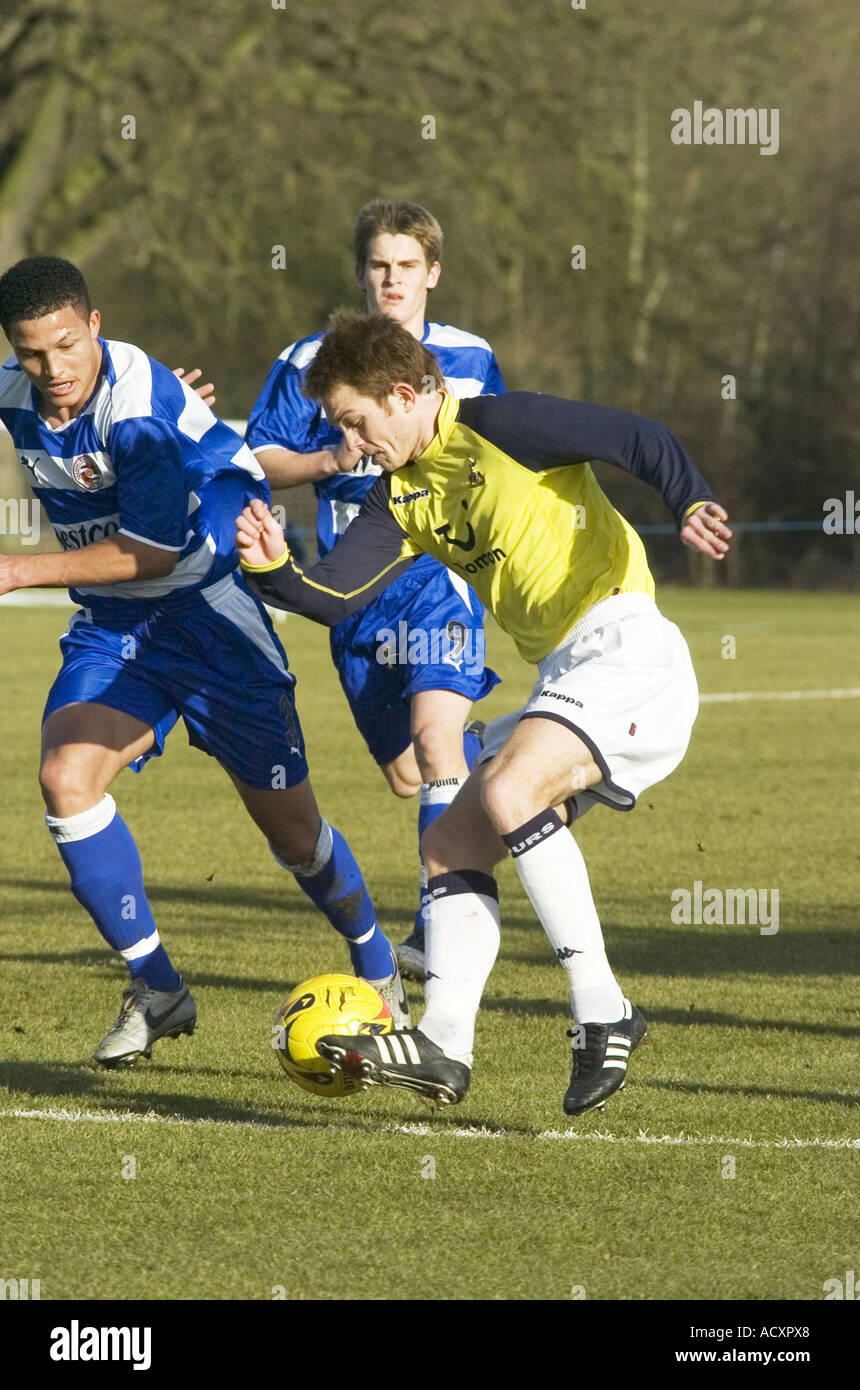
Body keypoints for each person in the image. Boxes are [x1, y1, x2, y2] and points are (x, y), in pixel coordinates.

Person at [234, 310, 732, 1116]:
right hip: (570, 673)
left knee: (507, 796)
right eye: (341, 429)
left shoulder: (499, 424)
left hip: (628, 650)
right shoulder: (400, 496)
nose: (353, 443)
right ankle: (445, 1045)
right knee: (451, 840)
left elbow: (638, 437)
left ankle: (603, 1009)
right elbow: (332, 597)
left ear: (402, 394)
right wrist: (271, 567)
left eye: (357, 422)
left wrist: (690, 500)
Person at [0, 258, 410, 1069]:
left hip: (211, 613)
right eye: (33, 353)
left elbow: (151, 553)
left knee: (294, 836)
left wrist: (15, 570)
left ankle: (378, 962)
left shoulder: (139, 413)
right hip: (118, 628)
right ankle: (157, 988)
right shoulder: (21, 389)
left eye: (68, 347)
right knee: (65, 780)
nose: (54, 371)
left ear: (95, 323)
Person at [245, 200, 504, 982]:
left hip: (434, 573)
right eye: (378, 265)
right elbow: (259, 456)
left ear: (433, 273)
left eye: (406, 265)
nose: (391, 279)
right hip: (349, 590)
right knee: (409, 772)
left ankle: (436, 933)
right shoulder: (306, 362)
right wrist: (332, 458)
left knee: (433, 743)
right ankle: (499, 751)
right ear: (362, 272)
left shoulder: (469, 356)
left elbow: (495, 446)